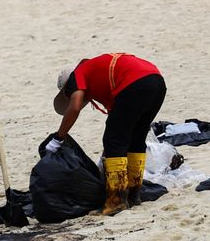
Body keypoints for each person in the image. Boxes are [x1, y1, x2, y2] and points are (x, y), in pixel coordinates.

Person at [51, 53, 166, 216]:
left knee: (113, 139)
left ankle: (116, 201)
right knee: (135, 137)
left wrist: (59, 138)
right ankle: (133, 195)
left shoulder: (78, 74)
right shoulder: (100, 76)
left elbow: (75, 107)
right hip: (156, 82)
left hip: (135, 82)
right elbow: (121, 121)